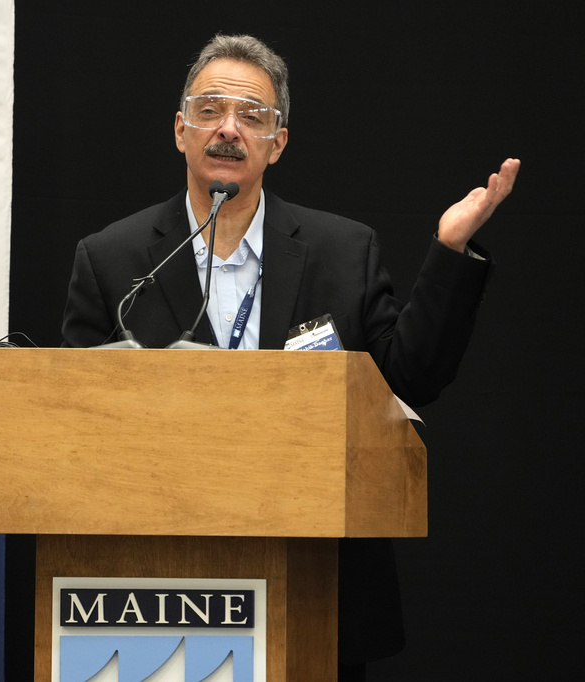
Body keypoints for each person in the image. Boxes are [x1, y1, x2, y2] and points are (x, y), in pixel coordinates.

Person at [61, 33, 519, 680]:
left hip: (314, 578)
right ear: (179, 130)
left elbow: (407, 380)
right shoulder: (113, 258)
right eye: (210, 110)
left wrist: (448, 253)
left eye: (253, 117)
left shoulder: (341, 250)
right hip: (153, 584)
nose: (228, 130)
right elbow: (69, 423)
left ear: (278, 143)